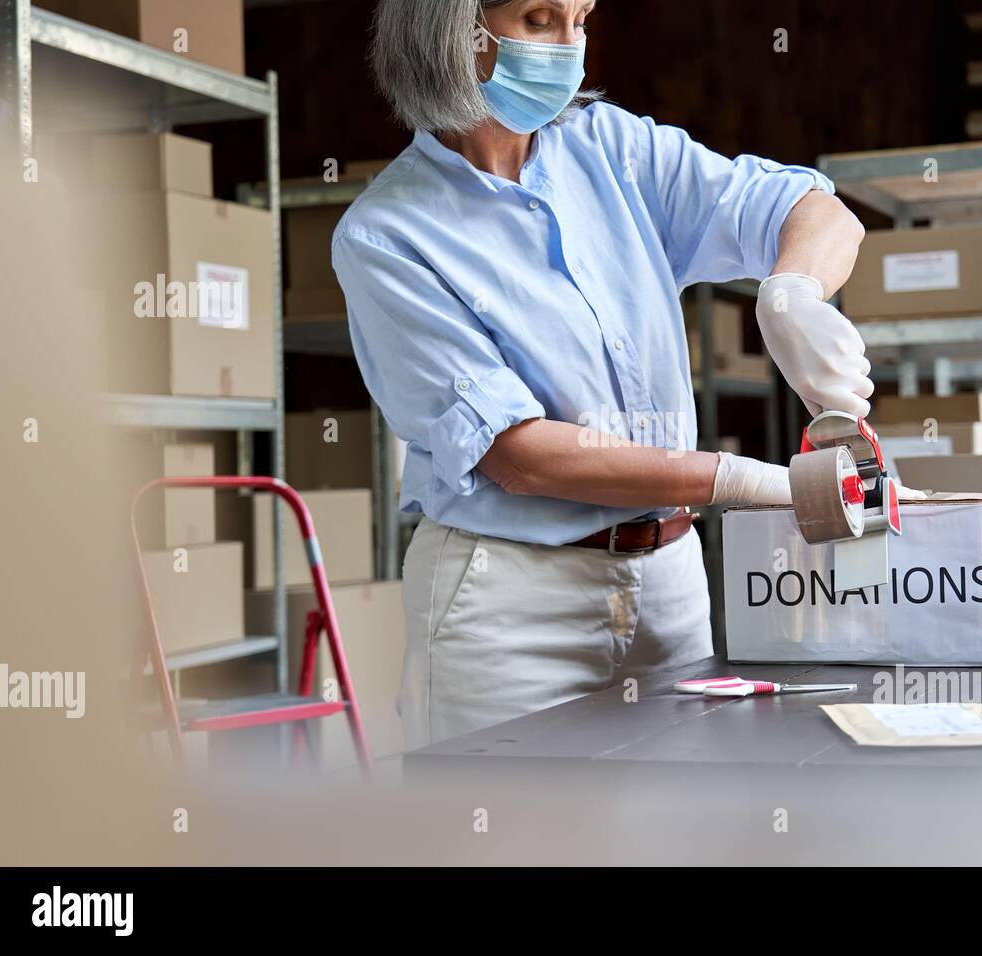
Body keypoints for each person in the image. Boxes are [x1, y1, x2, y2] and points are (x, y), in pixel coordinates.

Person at [333, 0, 873, 747]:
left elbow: (815, 210)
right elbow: (519, 456)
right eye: (539, 18)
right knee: (510, 837)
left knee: (672, 835)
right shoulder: (388, 235)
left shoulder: (613, 150)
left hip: (672, 581)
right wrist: (746, 483)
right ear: (456, 30)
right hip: (512, 603)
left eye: (580, 18)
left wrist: (791, 293)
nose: (569, 47)